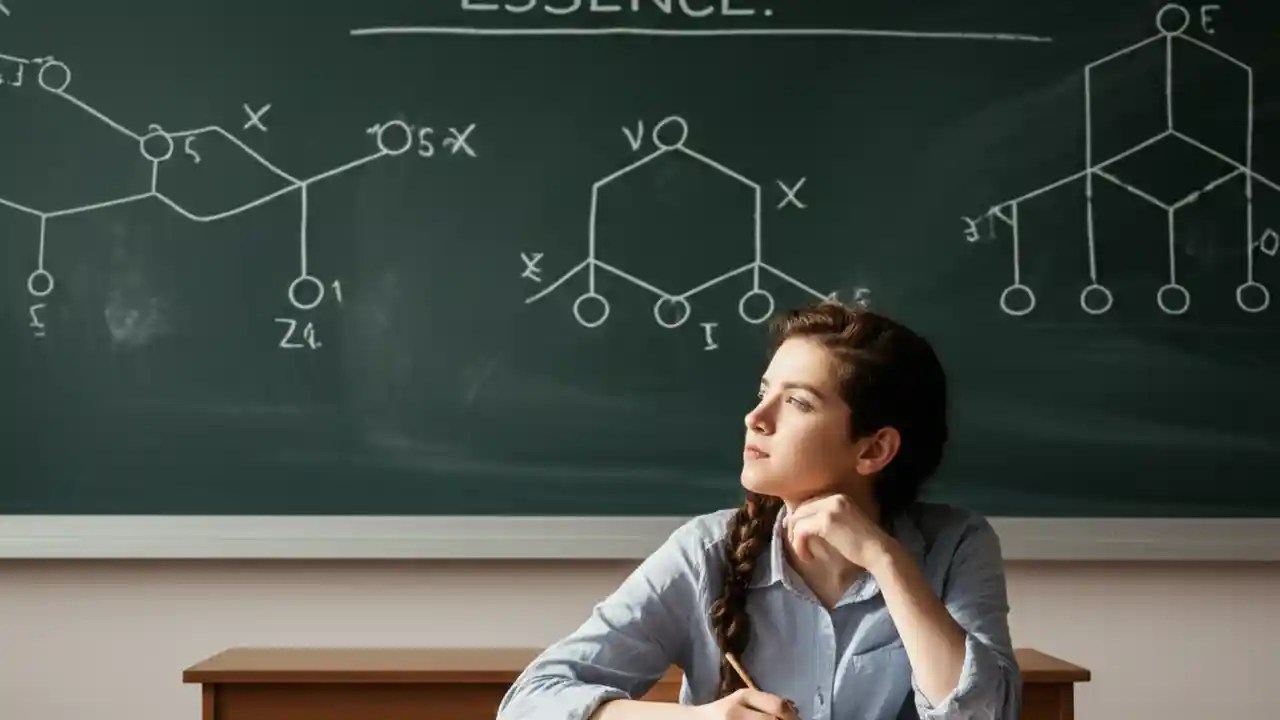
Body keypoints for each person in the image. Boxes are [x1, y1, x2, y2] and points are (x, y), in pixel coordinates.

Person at [497, 300, 1021, 720]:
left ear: (873, 450)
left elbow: (980, 714)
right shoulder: (705, 551)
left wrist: (888, 563)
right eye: (764, 392)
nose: (756, 417)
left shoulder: (957, 545)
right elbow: (530, 702)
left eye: (797, 402)